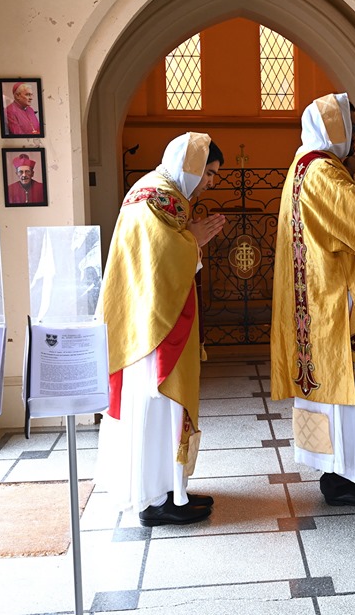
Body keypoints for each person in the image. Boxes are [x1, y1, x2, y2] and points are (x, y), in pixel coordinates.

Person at [270, 93, 355, 507]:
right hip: (343, 306)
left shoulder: (303, 165)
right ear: (335, 129)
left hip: (323, 301)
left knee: (340, 395)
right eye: (354, 127)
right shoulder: (325, 172)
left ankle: (339, 473)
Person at [97, 132, 227, 526]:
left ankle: (173, 488)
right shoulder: (155, 196)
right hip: (150, 333)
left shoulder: (166, 194)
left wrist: (190, 240)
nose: (211, 182)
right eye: (210, 173)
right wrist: (194, 241)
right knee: (156, 410)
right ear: (191, 167)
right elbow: (157, 259)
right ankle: (153, 500)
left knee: (169, 412)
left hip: (160, 321)